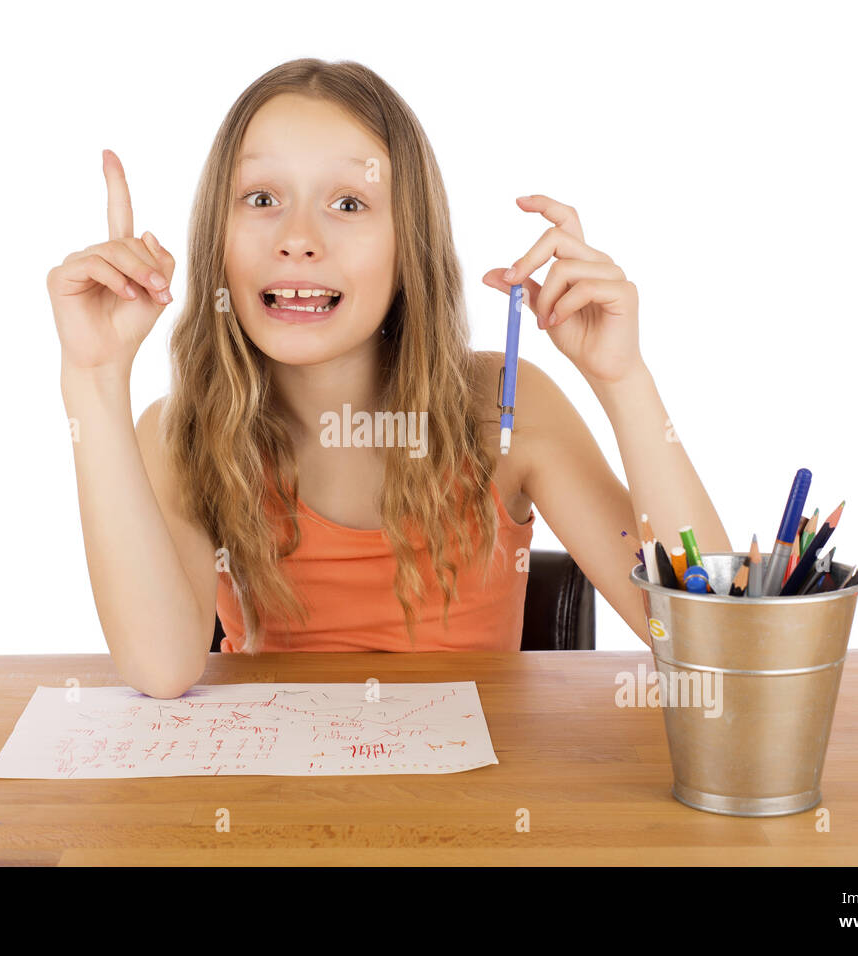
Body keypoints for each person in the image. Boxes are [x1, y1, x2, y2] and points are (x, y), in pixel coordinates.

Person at [46, 59, 729, 698]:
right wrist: (95, 379)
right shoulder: (180, 434)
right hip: (275, 809)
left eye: (348, 203)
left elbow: (715, 648)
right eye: (261, 197)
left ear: (411, 245)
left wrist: (623, 379)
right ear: (214, 244)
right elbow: (161, 669)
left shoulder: (504, 407)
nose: (298, 237)